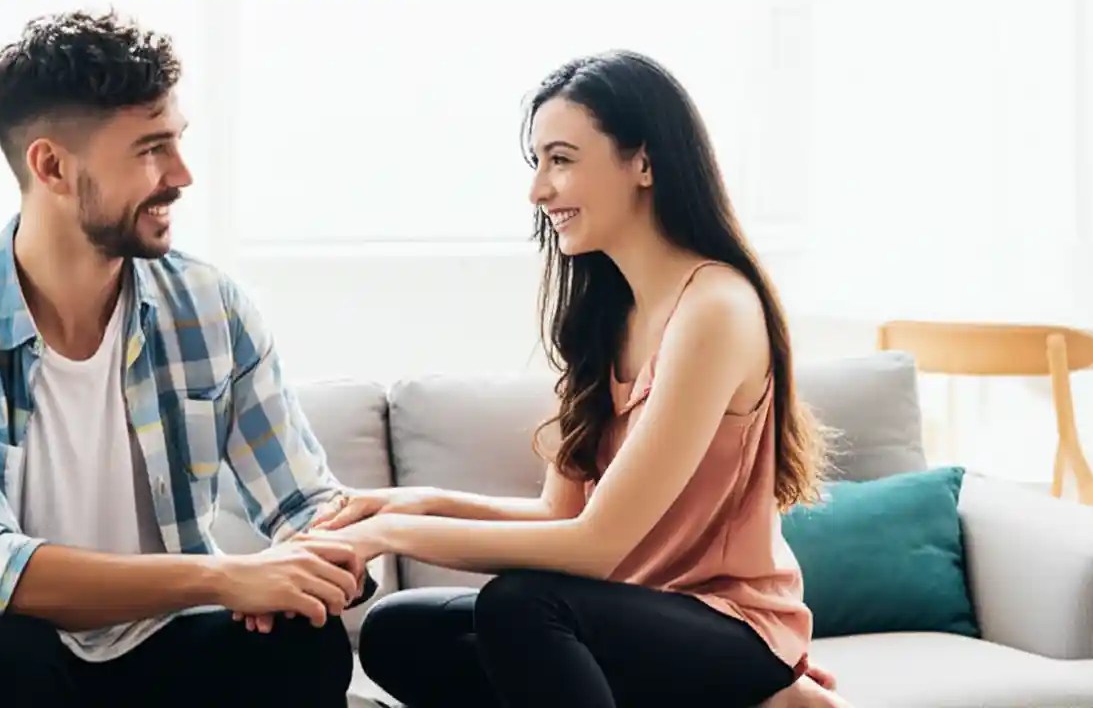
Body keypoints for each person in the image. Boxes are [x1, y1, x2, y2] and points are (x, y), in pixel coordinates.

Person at [304, 51, 851, 707]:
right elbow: (558, 515)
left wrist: (387, 536)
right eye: (536, 162)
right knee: (400, 630)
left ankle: (763, 693)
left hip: (730, 625)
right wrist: (409, 502)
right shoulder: (604, 317)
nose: (538, 190)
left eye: (560, 159)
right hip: (628, 617)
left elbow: (596, 546)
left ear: (643, 162)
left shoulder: (715, 309)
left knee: (520, 606)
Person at [0, 10, 371, 707]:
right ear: (51, 166)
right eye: (150, 150)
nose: (182, 174)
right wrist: (226, 578)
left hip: (166, 637)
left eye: (178, 141)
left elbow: (305, 502)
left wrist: (318, 560)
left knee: (303, 642)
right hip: (14, 646)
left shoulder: (211, 307)